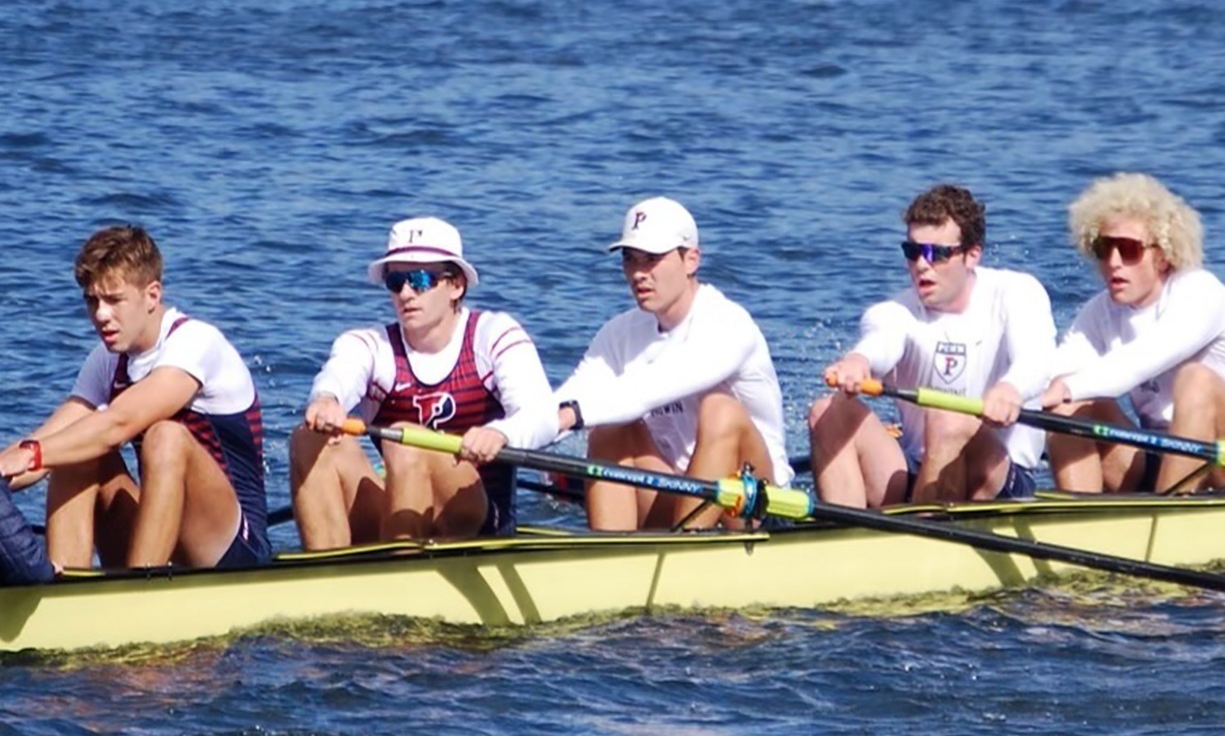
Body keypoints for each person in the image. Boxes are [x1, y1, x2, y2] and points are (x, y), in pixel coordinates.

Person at [0, 225, 270, 570]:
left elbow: (118, 424)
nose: (100, 315)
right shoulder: (107, 359)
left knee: (165, 436)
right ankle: (61, 589)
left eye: (114, 300)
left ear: (152, 295)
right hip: (164, 528)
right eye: (92, 300)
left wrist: (33, 455)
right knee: (73, 448)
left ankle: (141, 590)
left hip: (235, 545)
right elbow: (48, 439)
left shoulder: (197, 342)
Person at [290, 217, 558, 550]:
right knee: (308, 438)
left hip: (477, 518)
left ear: (456, 285)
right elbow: (340, 372)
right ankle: (325, 574)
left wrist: (501, 434)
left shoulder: (494, 335)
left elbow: (543, 416)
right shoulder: (371, 344)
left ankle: (401, 568)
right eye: (396, 281)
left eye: (420, 279)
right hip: (397, 504)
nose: (405, 293)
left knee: (408, 439)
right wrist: (327, 399)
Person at [552, 197, 790, 530]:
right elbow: (562, 400)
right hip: (678, 490)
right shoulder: (619, 333)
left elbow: (650, 389)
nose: (638, 273)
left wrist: (570, 417)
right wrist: (505, 433)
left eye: (652, 259)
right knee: (611, 429)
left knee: (720, 409)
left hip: (754, 504)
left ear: (691, 259)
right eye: (630, 259)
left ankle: (686, 551)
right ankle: (608, 559)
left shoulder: (729, 324)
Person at [812, 184, 1055, 507]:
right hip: (920, 468)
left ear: (972, 255)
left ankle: (920, 537)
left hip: (999, 475)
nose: (922, 265)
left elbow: (1037, 359)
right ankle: (846, 537)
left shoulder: (1017, 292)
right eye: (913, 252)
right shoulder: (895, 312)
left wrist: (1010, 390)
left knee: (949, 417)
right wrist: (858, 361)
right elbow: (881, 342)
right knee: (827, 411)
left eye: (937, 254)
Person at [1041, 172, 1225, 492]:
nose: (1114, 262)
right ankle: (1074, 518)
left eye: (1128, 249)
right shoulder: (1099, 312)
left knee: (1194, 379)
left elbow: (1139, 362)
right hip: (1163, 455)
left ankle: (1167, 517)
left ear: (1164, 256)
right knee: (1066, 408)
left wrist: (1066, 386)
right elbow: (1054, 376)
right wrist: (1011, 395)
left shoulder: (1201, 293)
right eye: (1103, 247)